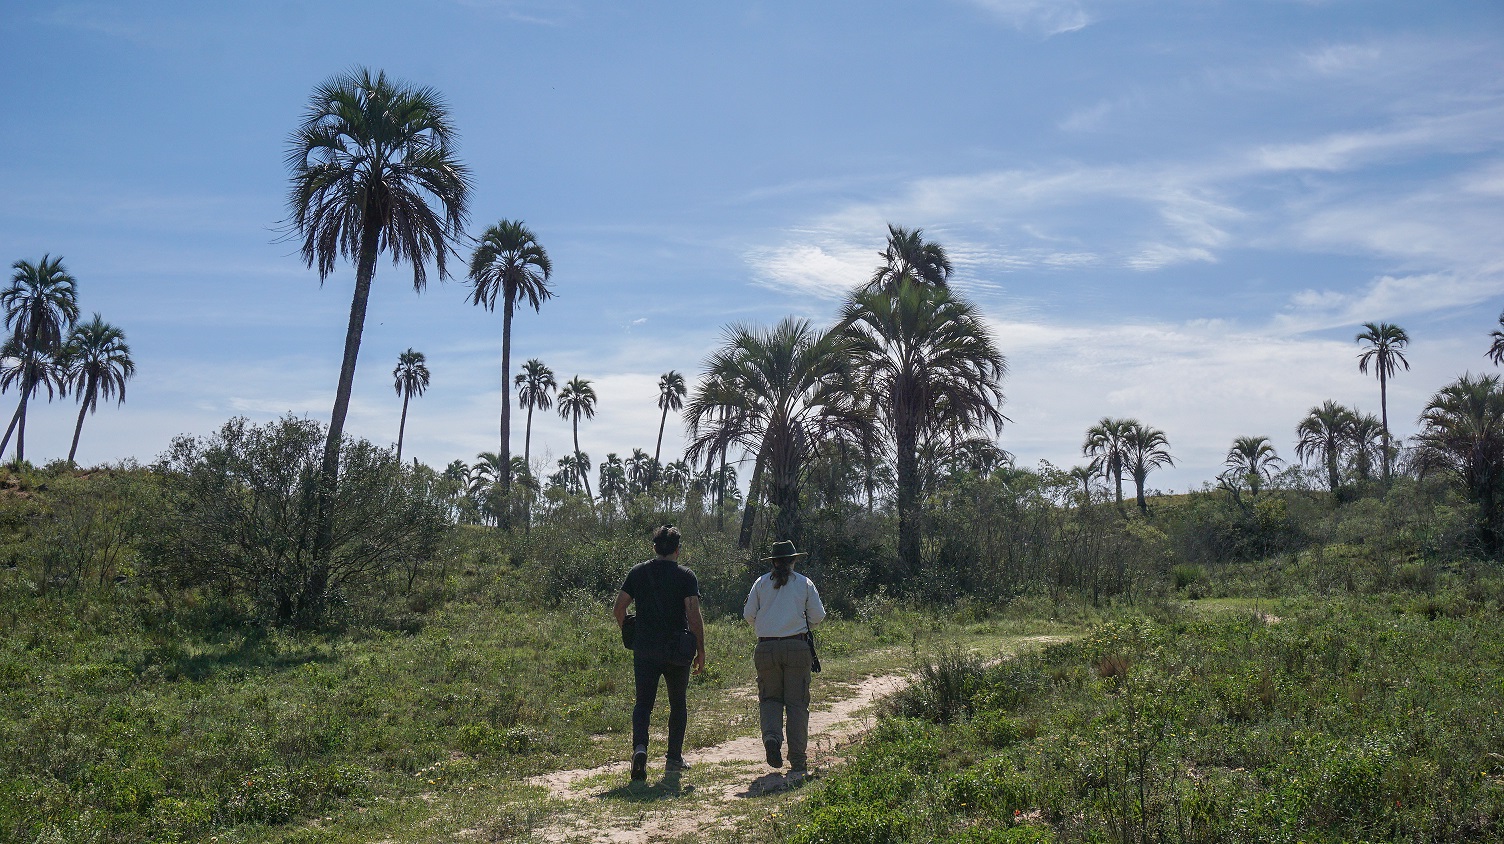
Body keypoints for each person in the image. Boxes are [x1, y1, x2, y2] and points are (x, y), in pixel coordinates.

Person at [613, 524, 706, 781]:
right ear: (677, 550)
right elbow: (693, 615)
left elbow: (619, 608)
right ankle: (673, 758)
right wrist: (700, 649)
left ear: (654, 548)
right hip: (677, 650)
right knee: (678, 703)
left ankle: (640, 749)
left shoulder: (638, 573)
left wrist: (631, 632)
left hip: (645, 649)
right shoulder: (686, 576)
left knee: (643, 703)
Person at [743, 539, 826, 779]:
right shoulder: (804, 583)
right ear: (792, 561)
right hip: (797, 647)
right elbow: (818, 616)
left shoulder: (760, 583)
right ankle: (798, 760)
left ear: (773, 562)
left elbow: (749, 615)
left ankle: (771, 738)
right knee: (797, 704)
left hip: (766, 648)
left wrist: (767, 625)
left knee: (770, 699)